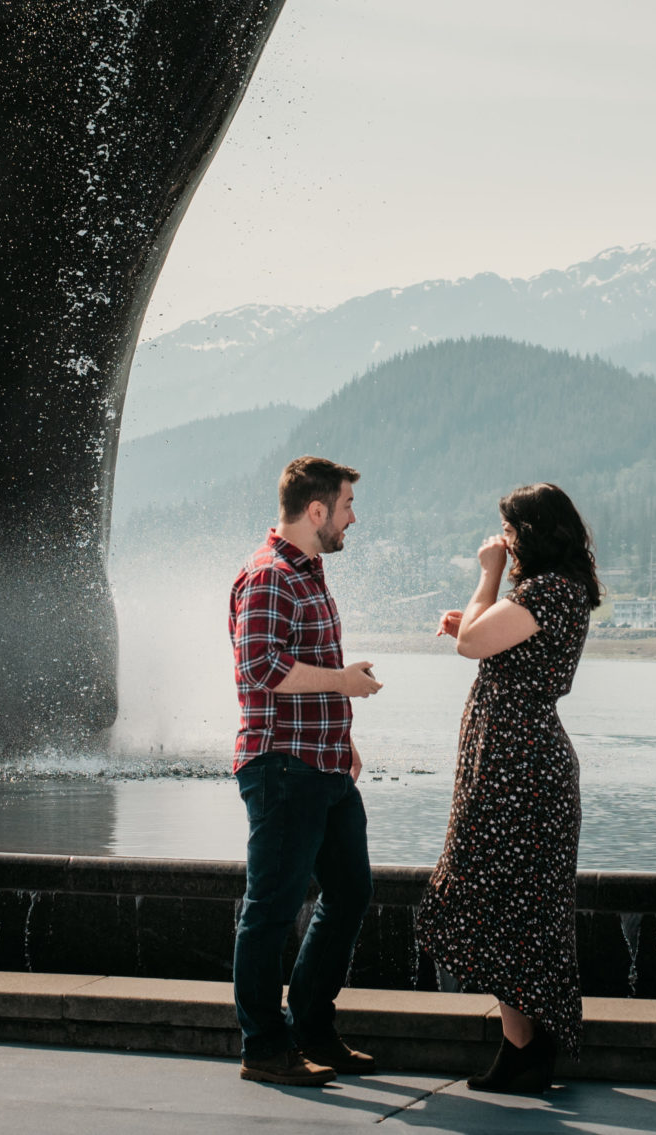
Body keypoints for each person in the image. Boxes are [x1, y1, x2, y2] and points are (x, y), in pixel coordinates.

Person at [418, 482, 600, 1094]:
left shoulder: (547, 590)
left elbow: (473, 641)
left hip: (518, 770)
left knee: (501, 898)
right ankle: (527, 1043)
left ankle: (523, 1050)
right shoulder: (555, 591)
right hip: (515, 764)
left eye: (510, 532)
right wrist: (477, 608)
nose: (504, 542)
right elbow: (482, 634)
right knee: (515, 901)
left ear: (533, 533)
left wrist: (486, 575)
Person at [227, 455, 383, 1087]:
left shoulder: (308, 573)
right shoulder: (268, 577)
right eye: (347, 505)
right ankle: (264, 1046)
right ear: (316, 510)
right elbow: (260, 667)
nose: (352, 517)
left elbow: (302, 667)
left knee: (350, 892)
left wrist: (342, 738)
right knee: (270, 908)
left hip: (324, 765)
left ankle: (312, 1027)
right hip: (284, 768)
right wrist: (343, 683)